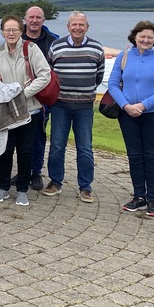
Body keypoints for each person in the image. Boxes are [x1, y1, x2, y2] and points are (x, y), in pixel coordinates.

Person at [108, 20, 154, 218]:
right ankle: (139, 196)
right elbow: (112, 84)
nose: (145, 40)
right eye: (142, 36)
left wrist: (143, 105)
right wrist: (126, 106)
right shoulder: (124, 56)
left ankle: (153, 198)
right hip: (128, 114)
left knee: (152, 156)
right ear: (134, 37)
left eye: (150, 38)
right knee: (134, 155)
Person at [0, 15, 51, 207]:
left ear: (21, 31)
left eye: (15, 29)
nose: (11, 33)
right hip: (6, 110)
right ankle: (3, 187)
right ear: (2, 32)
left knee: (25, 150)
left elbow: (44, 75)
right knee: (4, 150)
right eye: (7, 30)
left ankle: (22, 190)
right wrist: (3, 89)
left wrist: (22, 93)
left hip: (30, 110)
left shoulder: (31, 49)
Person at [44, 12, 104, 203]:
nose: (78, 27)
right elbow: (49, 72)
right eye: (74, 24)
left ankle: (85, 186)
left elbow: (99, 76)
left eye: (82, 24)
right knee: (57, 145)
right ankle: (55, 182)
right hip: (60, 104)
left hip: (85, 106)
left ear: (87, 26)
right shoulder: (57, 45)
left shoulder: (96, 47)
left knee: (85, 147)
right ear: (68, 26)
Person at [21, 6, 58, 190]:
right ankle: (22, 172)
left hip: (42, 97)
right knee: (17, 137)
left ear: (44, 20)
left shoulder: (53, 41)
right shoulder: (15, 38)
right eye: (31, 17)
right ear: (25, 19)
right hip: (18, 95)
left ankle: (35, 172)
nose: (34, 20)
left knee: (38, 136)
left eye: (38, 17)